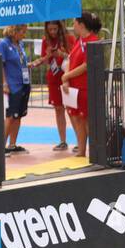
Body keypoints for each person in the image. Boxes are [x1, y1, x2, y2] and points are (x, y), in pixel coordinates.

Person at [61, 12, 102, 158]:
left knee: (87, 120)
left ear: (81, 25)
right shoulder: (79, 41)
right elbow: (70, 60)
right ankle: (82, 150)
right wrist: (65, 79)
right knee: (77, 119)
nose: (73, 26)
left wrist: (67, 75)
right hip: (73, 88)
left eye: (74, 23)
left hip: (84, 87)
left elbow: (86, 65)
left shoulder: (92, 41)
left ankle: (96, 151)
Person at [34, 19, 76, 150]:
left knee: (71, 110)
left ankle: (80, 141)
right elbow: (45, 60)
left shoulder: (69, 38)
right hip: (53, 77)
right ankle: (63, 141)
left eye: (55, 29)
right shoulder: (45, 41)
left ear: (60, 27)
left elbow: (74, 57)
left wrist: (62, 54)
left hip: (67, 78)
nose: (52, 32)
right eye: (50, 29)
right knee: (58, 109)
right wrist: (47, 56)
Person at [0, 24, 31, 153]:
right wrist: (4, 83)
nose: (24, 35)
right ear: (15, 31)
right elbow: (1, 64)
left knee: (18, 115)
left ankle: (12, 144)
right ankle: (1, 146)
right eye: (23, 32)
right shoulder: (3, 44)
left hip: (23, 82)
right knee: (11, 115)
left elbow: (21, 62)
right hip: (12, 84)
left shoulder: (20, 44)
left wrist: (31, 64)